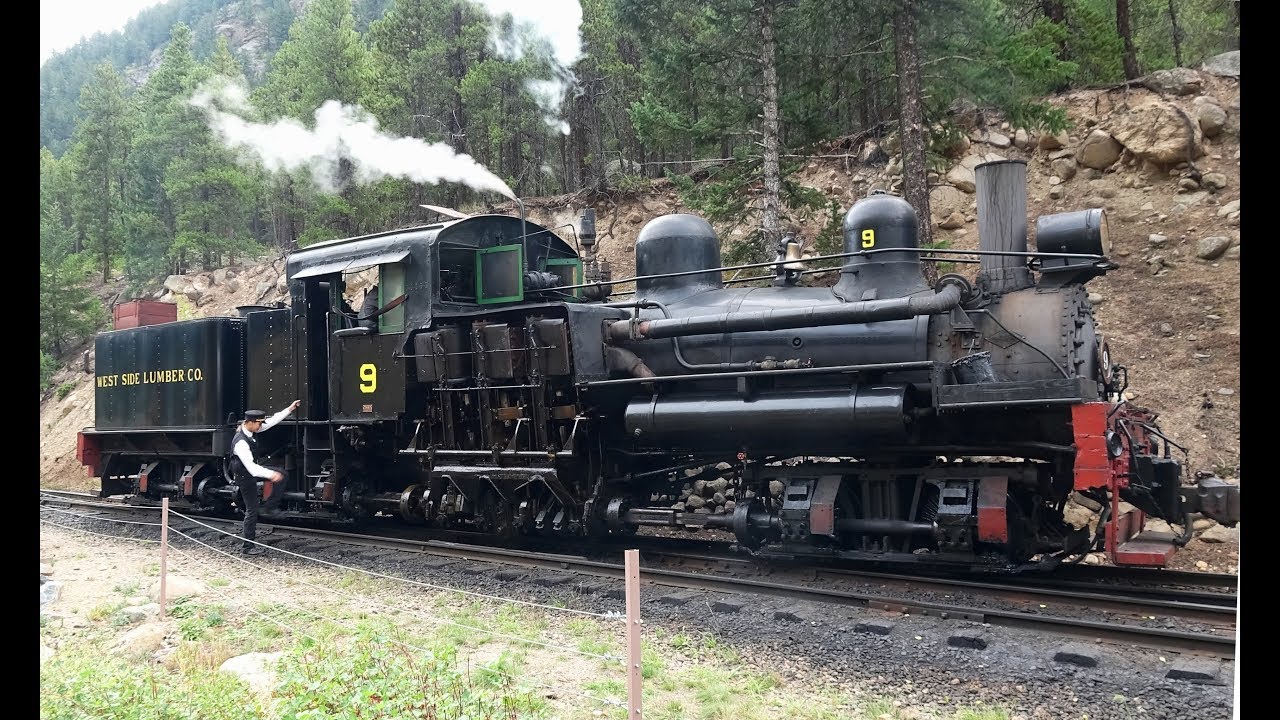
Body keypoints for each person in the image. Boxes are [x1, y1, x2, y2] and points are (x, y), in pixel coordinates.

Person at [228, 400, 300, 555]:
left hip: (250, 470)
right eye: (259, 424)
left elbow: (272, 421)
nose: (261, 427)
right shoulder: (241, 443)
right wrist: (271, 475)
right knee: (252, 510)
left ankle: (270, 507)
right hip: (244, 475)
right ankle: (248, 547)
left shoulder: (250, 429)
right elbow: (252, 469)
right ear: (250, 423)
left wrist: (289, 409)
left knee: (283, 474)